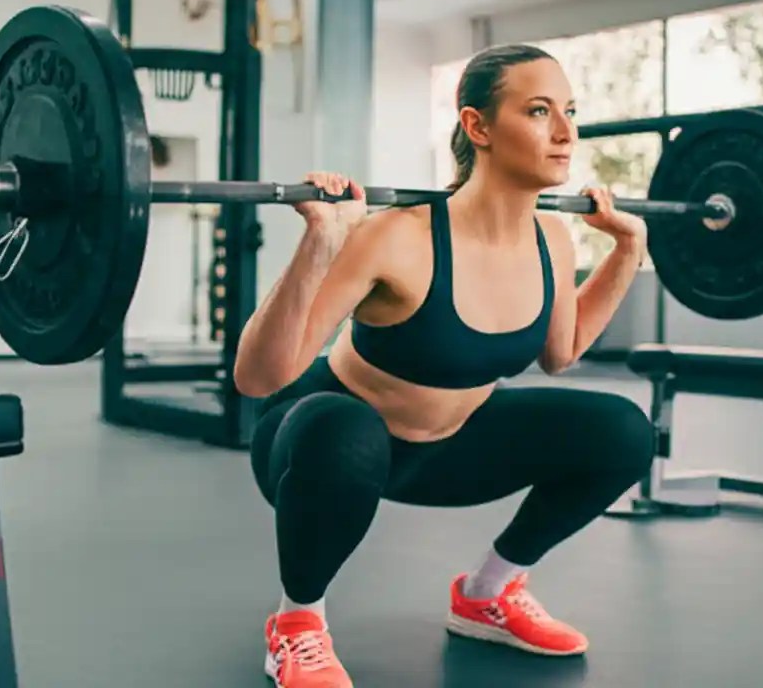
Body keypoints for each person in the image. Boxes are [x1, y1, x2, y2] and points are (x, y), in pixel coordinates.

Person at [234, 43, 654, 688]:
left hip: (449, 449)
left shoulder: (552, 236)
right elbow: (258, 379)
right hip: (319, 449)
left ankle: (489, 593)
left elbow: (560, 354)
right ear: (477, 126)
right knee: (344, 430)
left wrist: (627, 248)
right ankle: (297, 624)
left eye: (570, 111)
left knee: (624, 430)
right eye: (540, 111)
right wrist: (321, 241)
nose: (566, 133)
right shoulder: (396, 235)